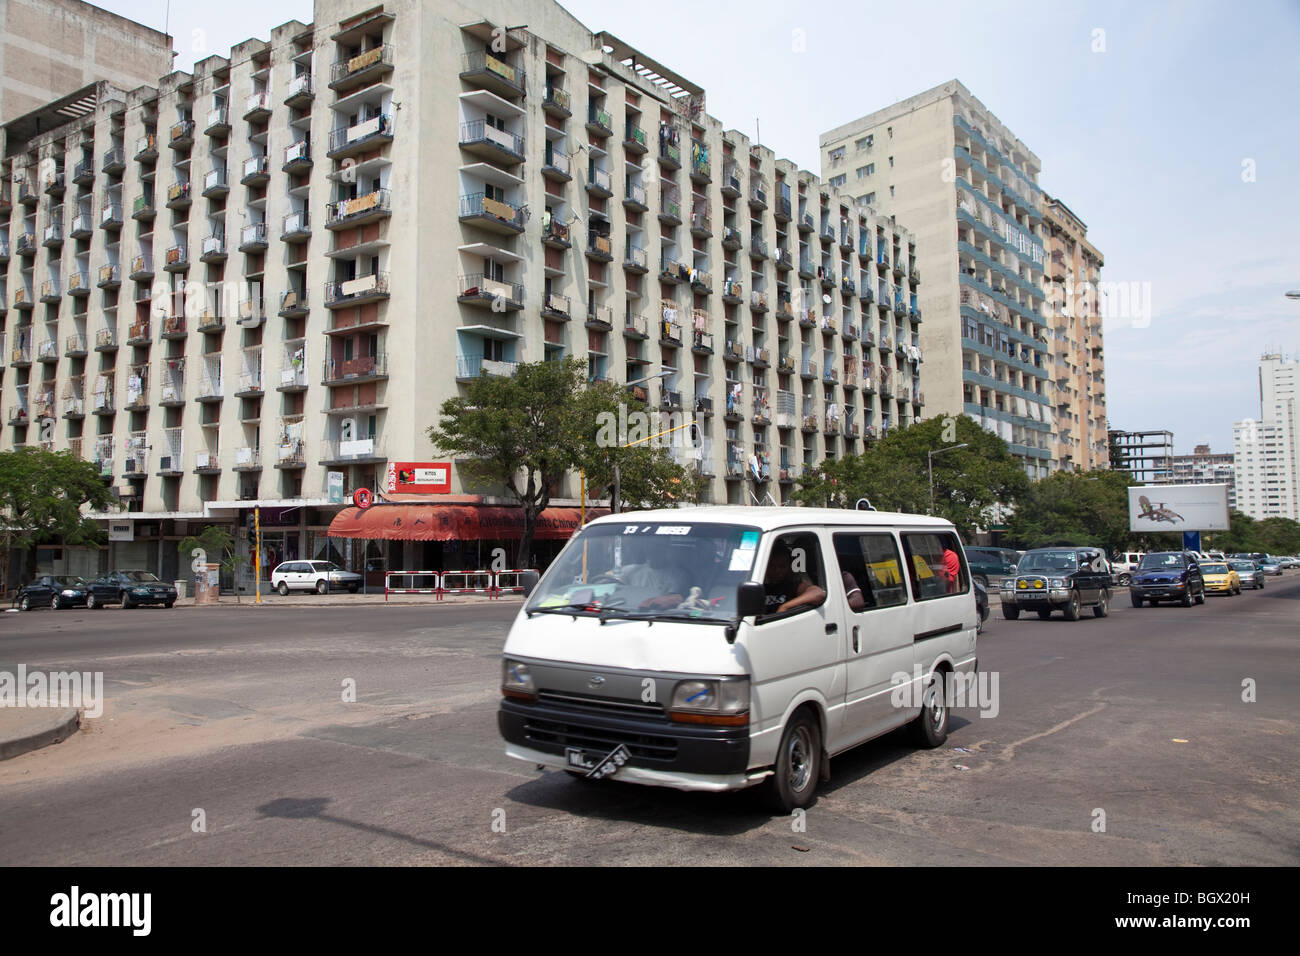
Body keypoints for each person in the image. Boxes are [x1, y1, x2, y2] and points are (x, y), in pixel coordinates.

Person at [762, 542, 826, 614]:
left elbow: (818, 594)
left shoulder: (792, 586)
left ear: (788, 568)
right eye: (772, 566)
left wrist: (785, 607)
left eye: (782, 566)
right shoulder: (757, 585)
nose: (776, 570)